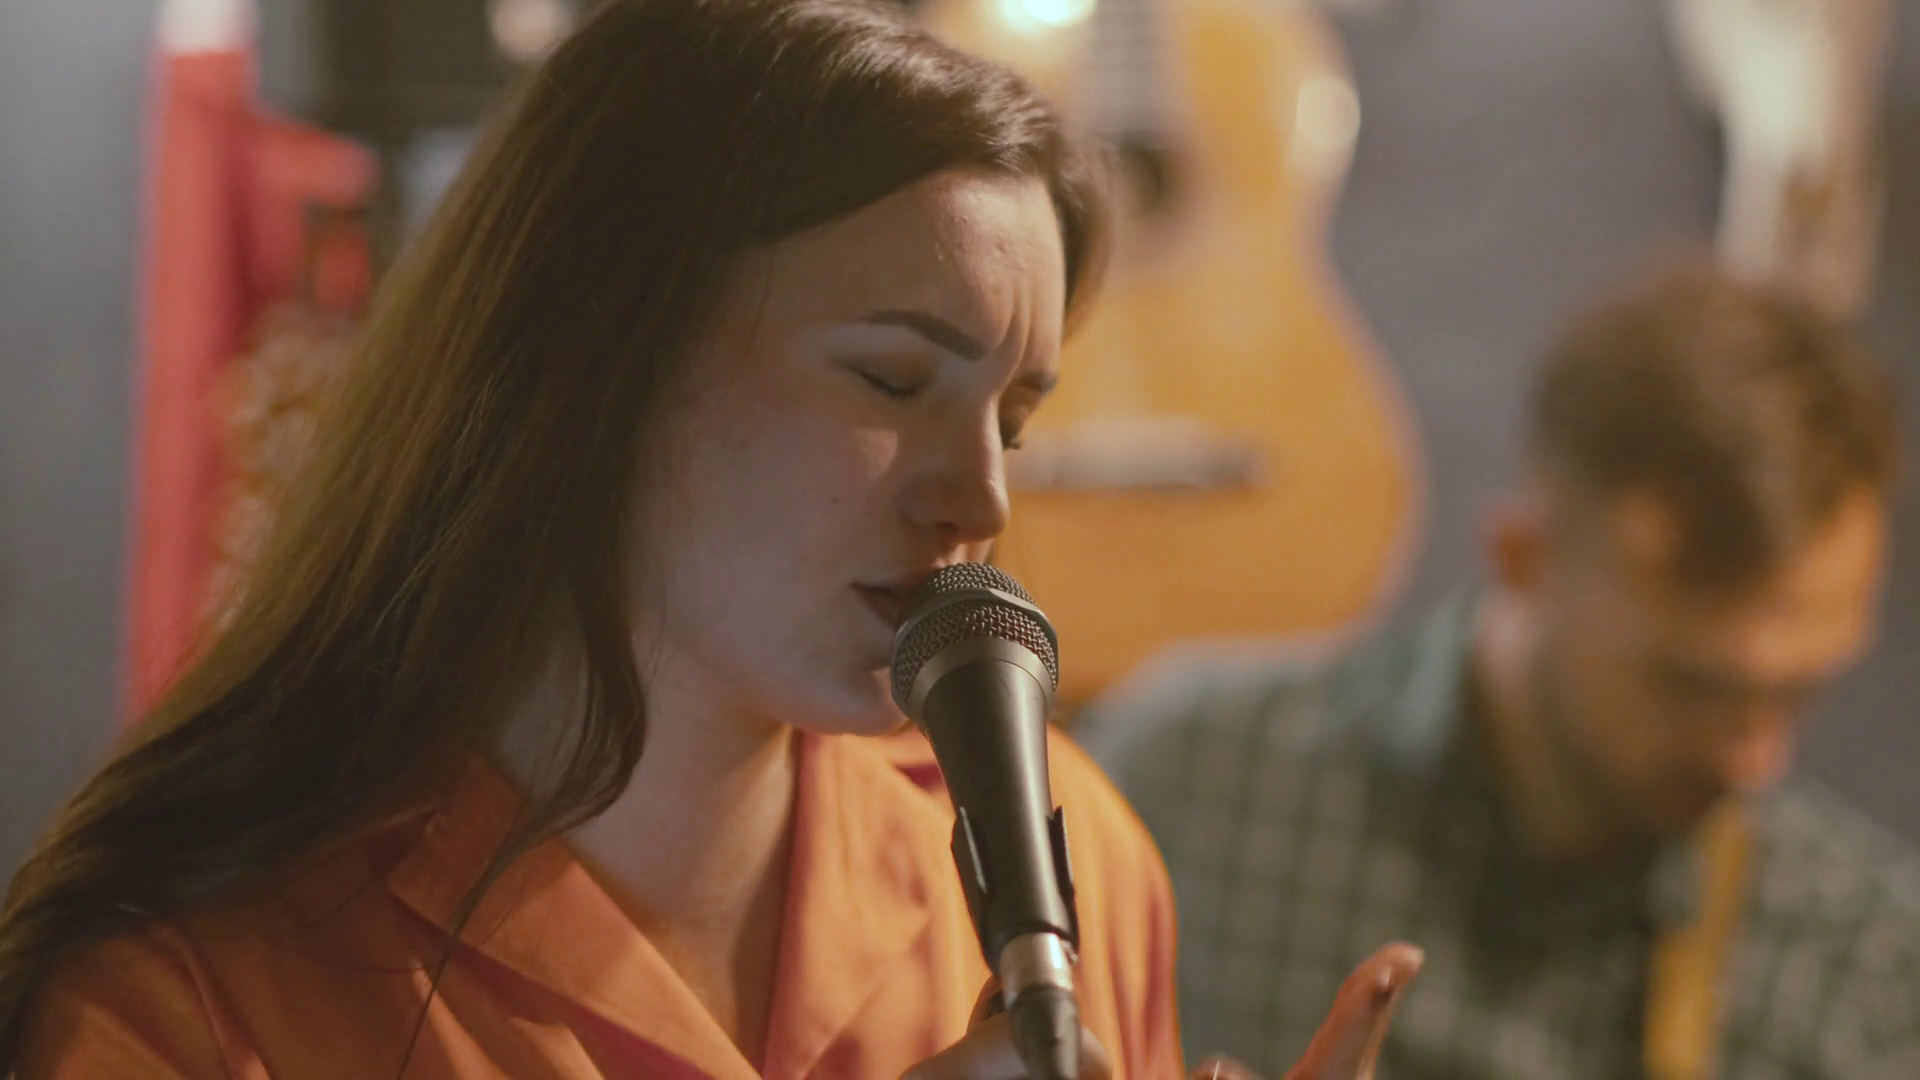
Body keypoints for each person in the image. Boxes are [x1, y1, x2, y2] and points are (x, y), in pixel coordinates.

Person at [0, 0, 1420, 1076]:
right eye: (890, 382)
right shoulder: (198, 991)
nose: (979, 500)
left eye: (1018, 416)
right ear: (605, 364)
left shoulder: (1074, 865)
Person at [1081, 264, 1920, 1078]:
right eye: (1689, 685)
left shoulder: (1868, 965)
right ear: (1523, 557)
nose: (1756, 759)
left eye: (1800, 691)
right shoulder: (1186, 777)